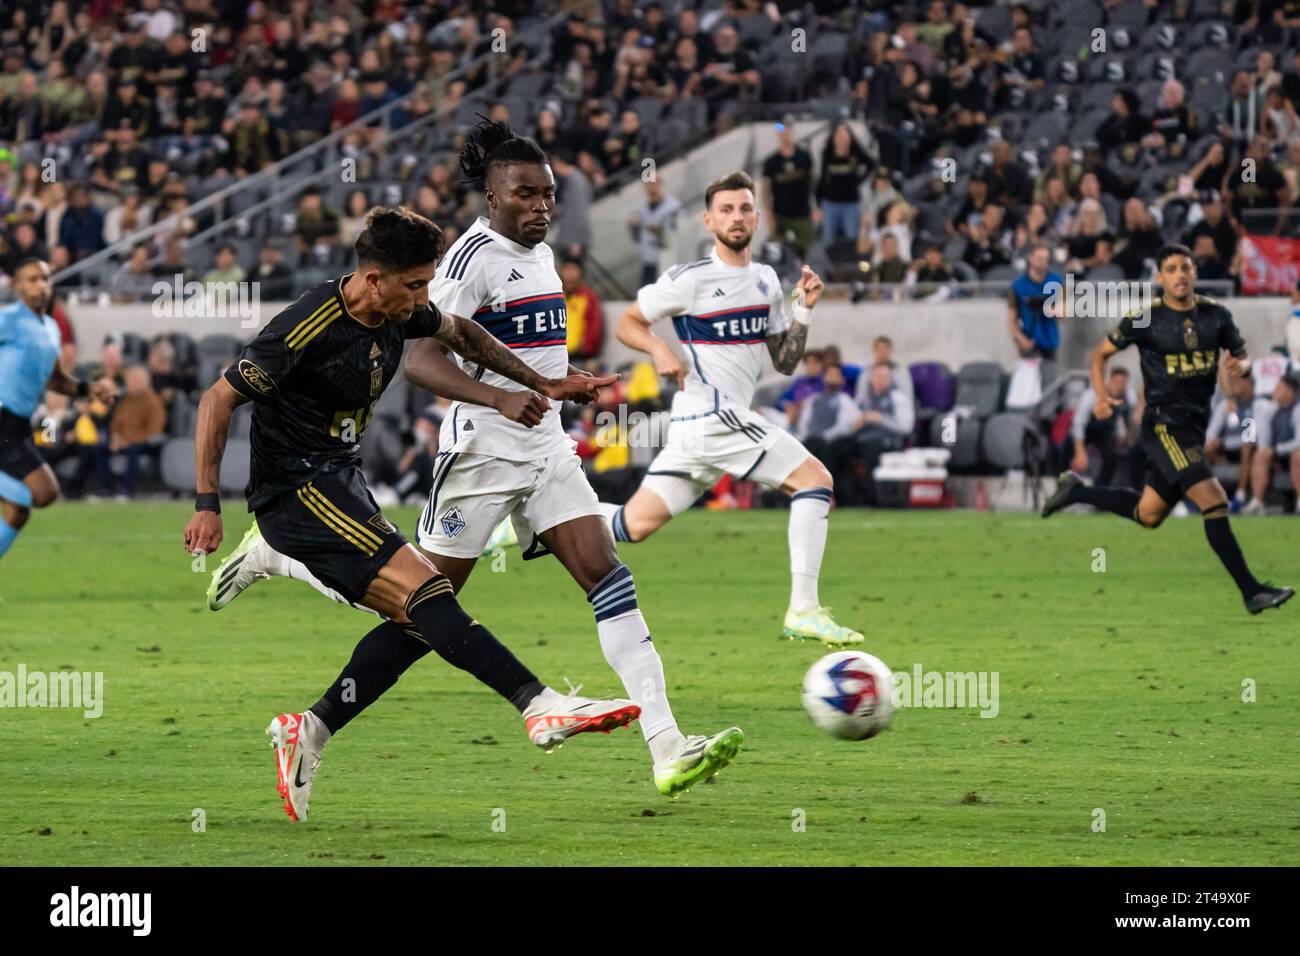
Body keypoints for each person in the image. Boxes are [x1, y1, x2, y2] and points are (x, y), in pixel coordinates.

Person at [203, 122, 742, 799]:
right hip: (481, 455)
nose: (540, 207)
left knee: (607, 576)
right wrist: (501, 396)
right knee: (421, 611)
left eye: (548, 194)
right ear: (491, 196)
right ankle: (292, 609)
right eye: (524, 195)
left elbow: (516, 345)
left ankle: (667, 746)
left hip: (545, 448)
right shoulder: (464, 261)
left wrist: (555, 379)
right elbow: (427, 354)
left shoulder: (542, 257)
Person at [184, 206, 639, 822]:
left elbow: (461, 333)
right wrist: (207, 503)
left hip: (343, 480)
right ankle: (538, 704)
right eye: (416, 284)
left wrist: (535, 383)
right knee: (429, 591)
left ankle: (310, 728)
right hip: (297, 490)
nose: (425, 297)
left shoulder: (399, 307)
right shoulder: (303, 328)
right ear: (373, 279)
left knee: (418, 617)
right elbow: (218, 399)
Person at [603, 169, 864, 647]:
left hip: (699, 428)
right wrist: (658, 349)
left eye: (745, 208)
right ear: (709, 220)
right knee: (816, 480)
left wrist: (803, 309)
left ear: (758, 217)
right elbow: (628, 322)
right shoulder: (689, 280)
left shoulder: (765, 281)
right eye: (726, 209)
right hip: (710, 413)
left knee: (631, 525)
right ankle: (803, 610)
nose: (736, 216)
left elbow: (784, 362)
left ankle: (536, 522)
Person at [1042, 244, 1293, 614]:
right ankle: (1252, 591)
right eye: (1172, 269)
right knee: (1214, 500)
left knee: (1149, 514)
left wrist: (1242, 366)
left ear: (1194, 273)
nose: (1180, 275)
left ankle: (1077, 492)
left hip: (1193, 426)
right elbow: (1100, 355)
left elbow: (1241, 356)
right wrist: (1099, 396)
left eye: (1186, 268)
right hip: (1164, 425)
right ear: (1160, 277)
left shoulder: (1216, 316)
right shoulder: (1145, 318)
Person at [0, 258, 116, 561]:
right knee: (40, 492)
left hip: (16, 425)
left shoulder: (51, 327)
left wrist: (89, 388)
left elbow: (54, 379)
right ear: (17, 286)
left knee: (20, 509)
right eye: (31, 279)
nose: (40, 285)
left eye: (45, 278)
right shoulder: (9, 319)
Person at [1069, 366, 1139, 488]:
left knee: (1112, 454)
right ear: (1109, 381)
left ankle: (1101, 488)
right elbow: (1078, 424)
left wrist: (1131, 440)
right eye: (1117, 382)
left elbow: (1131, 421)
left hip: (1105, 433)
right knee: (1070, 453)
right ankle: (1066, 486)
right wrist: (1080, 452)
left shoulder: (1129, 396)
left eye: (1123, 383)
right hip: (1084, 432)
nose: (1120, 386)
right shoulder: (1092, 395)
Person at [1245, 373, 1300, 514]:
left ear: (1290, 391)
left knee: (1297, 455)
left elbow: (1298, 442)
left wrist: (1276, 450)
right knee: (1260, 454)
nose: (1274, 390)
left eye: (1279, 387)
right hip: (1279, 458)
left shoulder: (1297, 410)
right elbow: (1260, 437)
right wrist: (1268, 450)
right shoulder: (1273, 409)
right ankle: (1257, 502)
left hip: (1293, 456)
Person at [628, 175, 681, 287]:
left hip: (669, 260)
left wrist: (653, 228)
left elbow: (674, 234)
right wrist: (633, 227)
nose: (651, 188)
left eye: (654, 184)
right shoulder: (641, 208)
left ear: (660, 185)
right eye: (648, 185)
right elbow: (637, 238)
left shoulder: (673, 206)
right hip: (648, 260)